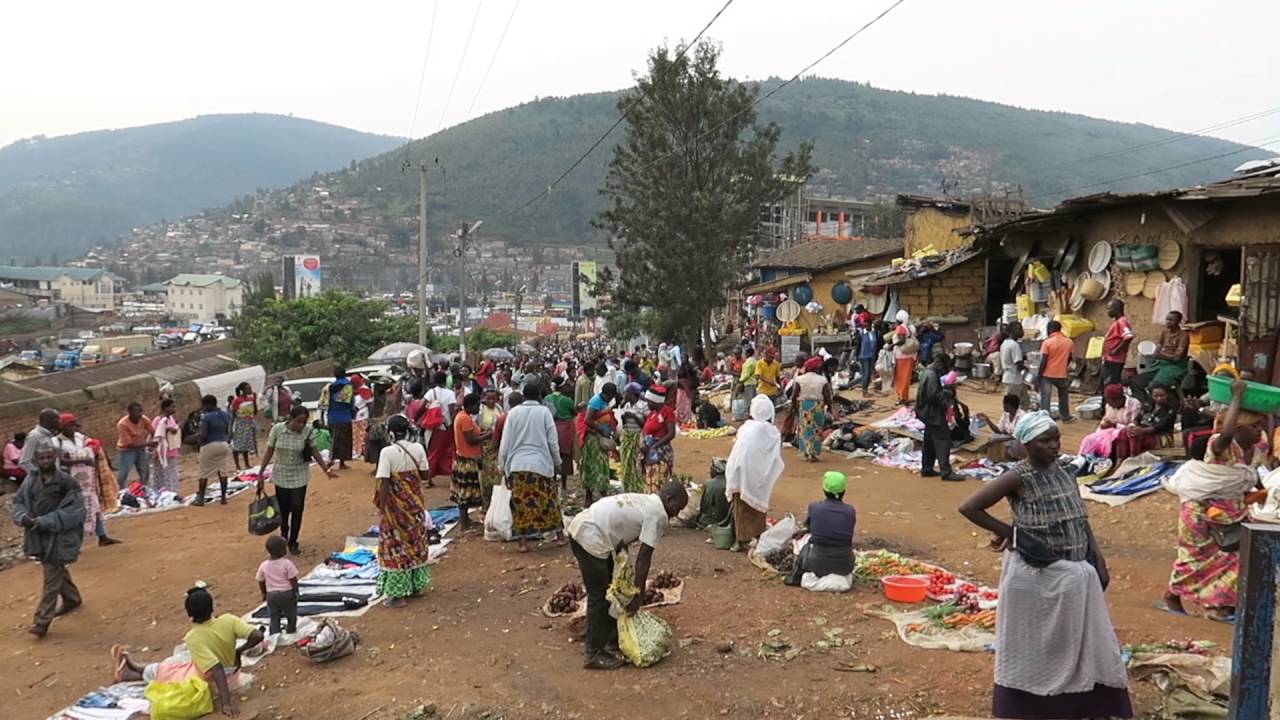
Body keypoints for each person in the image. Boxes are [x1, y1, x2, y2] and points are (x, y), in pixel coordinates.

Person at [959, 412, 1132, 719]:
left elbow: (1078, 515)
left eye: (1056, 438)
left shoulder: (1064, 469)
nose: (1053, 445)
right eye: (1044, 440)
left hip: (1075, 571)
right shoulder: (1018, 477)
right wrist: (1013, 534)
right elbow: (970, 507)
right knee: (1035, 645)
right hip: (1035, 574)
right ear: (1025, 444)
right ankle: (1030, 707)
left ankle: (1082, 703)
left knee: (1075, 642)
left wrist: (1098, 556)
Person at [1162, 380, 1267, 622]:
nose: (1259, 431)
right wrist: (1236, 398)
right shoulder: (1219, 445)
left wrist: (1259, 492)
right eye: (1253, 426)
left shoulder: (1256, 447)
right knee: (1195, 559)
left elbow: (1248, 473)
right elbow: (1226, 433)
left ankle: (1221, 606)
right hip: (1201, 511)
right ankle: (1172, 594)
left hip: (1233, 512)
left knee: (1237, 559)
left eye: (1260, 425)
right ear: (1238, 428)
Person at [567, 483, 690, 670]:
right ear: (669, 500)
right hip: (592, 537)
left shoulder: (647, 501)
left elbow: (622, 530)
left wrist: (622, 568)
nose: (677, 514)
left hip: (583, 527)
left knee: (610, 589)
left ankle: (608, 637)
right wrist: (638, 595)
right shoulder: (658, 515)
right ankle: (593, 653)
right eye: (678, 508)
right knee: (600, 596)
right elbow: (643, 557)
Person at [111, 587, 263, 717]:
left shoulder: (194, 637)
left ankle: (132, 670)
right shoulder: (228, 620)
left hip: (213, 682)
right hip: (232, 675)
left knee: (168, 669)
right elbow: (258, 635)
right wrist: (239, 651)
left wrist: (226, 703)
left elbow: (217, 668)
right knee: (173, 667)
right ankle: (131, 669)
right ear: (212, 607)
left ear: (189, 614)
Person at [12, 441, 85, 638]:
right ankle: (72, 598)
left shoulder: (66, 482)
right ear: (35, 460)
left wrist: (46, 521)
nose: (46, 461)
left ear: (55, 458)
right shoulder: (30, 481)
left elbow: (75, 510)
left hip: (60, 535)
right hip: (38, 535)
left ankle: (41, 621)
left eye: (49, 457)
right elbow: (18, 503)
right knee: (55, 567)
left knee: (51, 575)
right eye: (42, 458)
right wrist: (23, 517)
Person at [374, 415, 433, 607]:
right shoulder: (418, 448)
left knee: (395, 546)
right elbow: (425, 474)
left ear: (390, 432)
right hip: (415, 505)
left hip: (395, 508)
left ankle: (398, 595)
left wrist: (382, 510)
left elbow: (383, 482)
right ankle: (416, 586)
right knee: (415, 543)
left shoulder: (387, 452)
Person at [499, 383, 566, 552]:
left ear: (523, 396)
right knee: (549, 501)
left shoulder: (513, 413)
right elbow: (552, 441)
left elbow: (505, 443)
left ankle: (523, 542)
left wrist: (502, 466)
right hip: (541, 464)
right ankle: (559, 536)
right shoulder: (544, 412)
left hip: (517, 465)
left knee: (521, 505)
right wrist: (557, 462)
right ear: (539, 396)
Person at [259, 405, 332, 554]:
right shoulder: (277, 429)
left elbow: (315, 452)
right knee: (284, 509)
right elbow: (269, 451)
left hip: (300, 474)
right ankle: (284, 536)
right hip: (281, 474)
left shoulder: (308, 431)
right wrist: (261, 473)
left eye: (304, 422)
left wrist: (325, 469)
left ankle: (293, 541)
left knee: (297, 508)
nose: (301, 425)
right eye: (298, 422)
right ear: (291, 419)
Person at [725, 394, 786, 552]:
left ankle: (740, 539)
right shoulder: (772, 432)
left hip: (737, 470)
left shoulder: (746, 427)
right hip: (757, 473)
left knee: (740, 505)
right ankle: (756, 535)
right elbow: (774, 456)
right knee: (757, 503)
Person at [55, 414, 121, 546]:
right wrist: (82, 459)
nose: (73, 428)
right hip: (69, 479)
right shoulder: (56, 442)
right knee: (73, 509)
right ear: (62, 427)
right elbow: (59, 460)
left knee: (93, 505)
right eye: (69, 425)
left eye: (74, 425)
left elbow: (94, 445)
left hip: (87, 480)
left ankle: (102, 536)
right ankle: (73, 541)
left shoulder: (80, 437)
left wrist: (92, 449)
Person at [785, 471, 856, 586]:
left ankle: (797, 572)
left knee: (801, 540)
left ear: (824, 490)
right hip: (845, 565)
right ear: (844, 491)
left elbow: (811, 527)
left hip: (817, 564)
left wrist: (803, 531)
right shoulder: (850, 511)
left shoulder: (815, 507)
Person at [918, 353, 962, 481]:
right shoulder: (931, 375)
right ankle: (946, 471)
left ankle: (927, 468)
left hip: (926, 412)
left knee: (929, 441)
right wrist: (948, 393)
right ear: (940, 363)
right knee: (943, 440)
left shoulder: (927, 373)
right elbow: (933, 396)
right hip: (933, 413)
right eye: (944, 368)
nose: (943, 371)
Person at [1132, 311, 1190, 405]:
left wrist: (1162, 354)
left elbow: (1177, 358)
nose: (1168, 322)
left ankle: (1165, 407)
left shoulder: (1183, 335)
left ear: (1178, 321)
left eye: (1171, 320)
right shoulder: (1165, 332)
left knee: (1154, 386)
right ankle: (1146, 404)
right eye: (1167, 319)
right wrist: (1156, 352)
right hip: (1160, 364)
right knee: (1136, 381)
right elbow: (1159, 346)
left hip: (1174, 367)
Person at [451, 393, 489, 533]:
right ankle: (464, 525)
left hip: (463, 457)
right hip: (467, 459)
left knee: (464, 492)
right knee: (465, 493)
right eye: (477, 405)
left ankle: (465, 521)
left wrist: (481, 432)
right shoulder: (465, 419)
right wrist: (488, 436)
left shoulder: (462, 417)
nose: (478, 408)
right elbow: (471, 440)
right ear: (471, 405)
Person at [1078, 384, 1144, 459]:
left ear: (1118, 399)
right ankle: (1081, 459)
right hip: (1107, 433)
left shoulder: (1134, 405)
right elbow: (1105, 421)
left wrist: (1115, 425)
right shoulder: (1108, 405)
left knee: (1107, 444)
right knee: (1088, 440)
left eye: (1109, 401)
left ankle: (1103, 459)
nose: (1108, 404)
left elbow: (1133, 428)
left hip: (1125, 435)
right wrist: (1101, 427)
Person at [579, 382, 618, 502]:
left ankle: (602, 492)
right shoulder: (596, 401)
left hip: (600, 438)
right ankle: (589, 496)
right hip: (593, 440)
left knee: (602, 466)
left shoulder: (604, 402)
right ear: (609, 394)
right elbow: (588, 419)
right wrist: (601, 429)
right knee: (592, 466)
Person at [790, 356, 832, 462]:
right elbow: (828, 396)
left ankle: (807, 452)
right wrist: (829, 406)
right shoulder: (822, 380)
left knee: (806, 430)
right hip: (818, 406)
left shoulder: (800, 379)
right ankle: (813, 453)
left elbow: (794, 395)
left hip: (805, 405)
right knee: (817, 429)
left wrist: (794, 406)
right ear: (817, 368)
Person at [194, 394, 233, 506]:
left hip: (209, 445)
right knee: (223, 471)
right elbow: (227, 431)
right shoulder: (225, 415)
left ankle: (200, 499)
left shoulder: (206, 417)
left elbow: (203, 434)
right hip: (224, 444)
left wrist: (198, 441)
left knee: (204, 472)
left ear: (207, 405)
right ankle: (224, 498)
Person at [256, 535, 299, 635]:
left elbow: (260, 580)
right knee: (291, 613)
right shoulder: (287, 564)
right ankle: (291, 628)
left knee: (274, 615)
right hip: (287, 593)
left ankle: (275, 632)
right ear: (283, 551)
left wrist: (264, 593)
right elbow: (293, 579)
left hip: (272, 595)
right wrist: (296, 591)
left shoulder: (264, 565)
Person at [1036, 320, 1075, 421]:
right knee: (1063, 396)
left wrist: (1038, 377)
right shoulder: (1069, 342)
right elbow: (1070, 357)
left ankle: (1045, 418)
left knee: (1046, 397)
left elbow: (1043, 361)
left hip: (1047, 374)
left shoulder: (1047, 343)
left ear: (1050, 330)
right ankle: (1065, 416)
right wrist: (1063, 365)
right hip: (1062, 374)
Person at [640, 385, 676, 493]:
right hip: (649, 452)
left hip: (660, 454)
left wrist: (654, 446)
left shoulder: (667, 413)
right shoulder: (652, 413)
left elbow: (671, 434)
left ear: (656, 401)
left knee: (657, 483)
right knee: (649, 483)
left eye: (649, 402)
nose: (647, 404)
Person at [424, 371, 458, 482]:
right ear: (446, 381)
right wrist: (452, 424)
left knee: (433, 452)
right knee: (449, 451)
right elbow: (452, 410)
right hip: (446, 426)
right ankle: (452, 475)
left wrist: (416, 418)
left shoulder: (430, 392)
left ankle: (428, 479)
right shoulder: (450, 393)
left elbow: (422, 406)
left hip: (434, 427)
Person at [544, 378, 578, 490]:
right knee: (565, 457)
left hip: (551, 427)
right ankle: (563, 484)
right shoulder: (567, 400)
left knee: (551, 454)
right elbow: (574, 412)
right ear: (562, 387)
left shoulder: (547, 399)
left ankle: (553, 481)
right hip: (565, 429)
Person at [617, 383, 648, 492]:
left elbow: (645, 425)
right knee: (626, 463)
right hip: (627, 436)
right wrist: (624, 417)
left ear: (632, 394)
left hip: (637, 437)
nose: (624, 395)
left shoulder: (644, 406)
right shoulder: (626, 405)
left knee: (636, 464)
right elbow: (624, 423)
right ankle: (627, 487)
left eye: (626, 393)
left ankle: (637, 488)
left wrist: (633, 416)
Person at [477, 388, 505, 508]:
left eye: (494, 398)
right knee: (485, 476)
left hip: (496, 446)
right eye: (488, 398)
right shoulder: (480, 411)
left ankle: (496, 501)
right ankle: (486, 502)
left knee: (496, 475)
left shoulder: (499, 409)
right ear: (484, 398)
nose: (491, 401)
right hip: (484, 446)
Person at [115, 402, 153, 488]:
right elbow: (129, 445)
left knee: (145, 473)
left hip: (141, 449)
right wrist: (148, 444)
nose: (140, 414)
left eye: (141, 411)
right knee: (122, 476)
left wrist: (156, 440)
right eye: (137, 412)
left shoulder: (144, 419)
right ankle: (122, 493)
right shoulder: (123, 424)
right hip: (127, 451)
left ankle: (144, 491)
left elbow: (153, 431)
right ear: (130, 412)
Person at [149, 399, 182, 494]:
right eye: (172, 407)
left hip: (172, 449)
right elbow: (155, 434)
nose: (174, 409)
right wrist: (167, 429)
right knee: (161, 473)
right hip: (162, 451)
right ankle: (161, 492)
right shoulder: (158, 420)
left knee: (171, 472)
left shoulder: (171, 419)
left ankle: (172, 492)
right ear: (165, 408)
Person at [326, 367, 356, 470]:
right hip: (344, 416)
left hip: (331, 417)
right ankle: (341, 463)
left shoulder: (329, 387)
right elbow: (348, 402)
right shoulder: (347, 385)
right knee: (344, 441)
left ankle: (331, 459)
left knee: (333, 439)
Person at [1102, 300, 1135, 387]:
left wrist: (1116, 350)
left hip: (1114, 360)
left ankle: (1110, 400)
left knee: (1111, 383)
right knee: (1108, 383)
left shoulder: (1122, 322)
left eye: (1109, 309)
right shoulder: (1118, 321)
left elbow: (1128, 336)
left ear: (1116, 309)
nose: (1107, 311)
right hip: (1110, 358)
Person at [229, 382, 258, 471]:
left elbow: (255, 412)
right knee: (237, 445)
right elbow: (233, 415)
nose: (250, 390)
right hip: (240, 424)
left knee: (245, 444)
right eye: (248, 388)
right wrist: (230, 428)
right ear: (243, 390)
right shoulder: (237, 401)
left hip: (248, 423)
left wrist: (255, 400)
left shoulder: (251, 399)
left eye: (250, 388)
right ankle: (237, 465)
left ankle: (247, 464)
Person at [891, 310, 918, 405]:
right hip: (910, 356)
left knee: (900, 378)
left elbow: (901, 340)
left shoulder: (900, 328)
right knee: (906, 378)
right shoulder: (910, 328)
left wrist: (892, 345)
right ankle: (904, 396)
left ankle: (901, 397)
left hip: (902, 356)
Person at [999, 322, 1026, 403]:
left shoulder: (1005, 343)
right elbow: (1018, 364)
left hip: (1007, 377)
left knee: (1013, 402)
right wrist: (1027, 368)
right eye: (1020, 329)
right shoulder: (1014, 345)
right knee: (1014, 404)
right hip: (1014, 379)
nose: (1022, 332)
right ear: (1014, 331)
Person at [854, 316, 880, 397]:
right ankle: (864, 391)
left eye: (867, 325)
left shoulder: (874, 332)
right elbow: (858, 346)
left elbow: (877, 344)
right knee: (866, 373)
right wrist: (856, 356)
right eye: (865, 326)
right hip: (863, 356)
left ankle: (866, 389)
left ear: (870, 325)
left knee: (869, 374)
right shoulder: (861, 334)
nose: (866, 327)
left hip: (872, 356)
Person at [352, 374, 374, 461]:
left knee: (363, 434)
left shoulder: (364, 389)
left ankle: (363, 452)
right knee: (355, 435)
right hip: (354, 415)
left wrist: (370, 416)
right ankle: (356, 451)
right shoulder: (352, 390)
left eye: (353, 382)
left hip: (362, 414)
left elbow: (369, 403)